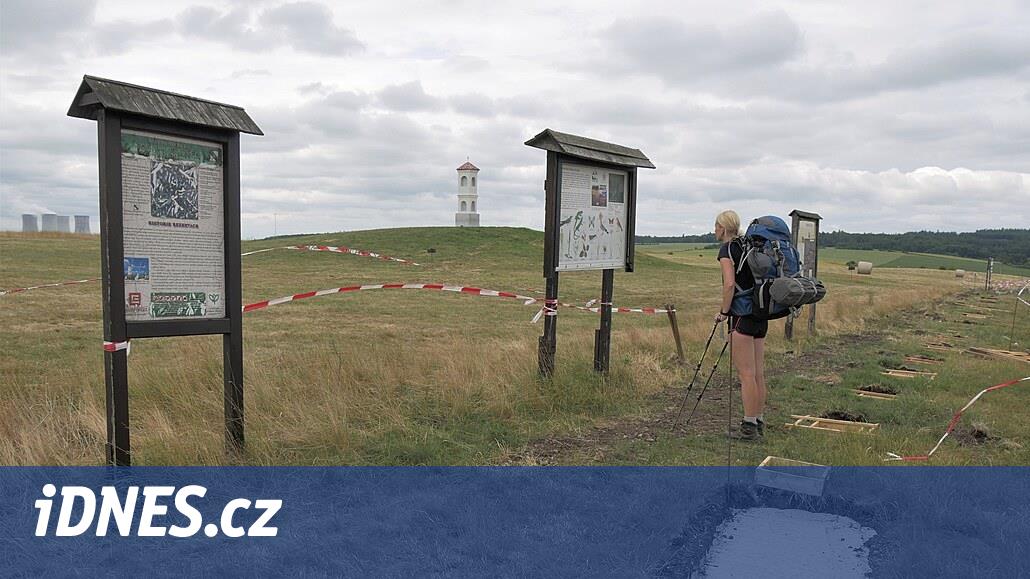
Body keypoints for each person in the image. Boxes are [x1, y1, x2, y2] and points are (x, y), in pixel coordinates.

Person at [713, 210, 767, 440]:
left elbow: (729, 285)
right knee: (757, 374)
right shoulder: (749, 245)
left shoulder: (727, 250)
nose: (714, 230)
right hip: (760, 313)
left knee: (745, 374)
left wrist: (724, 312)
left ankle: (748, 427)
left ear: (724, 228)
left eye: (716, 226)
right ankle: (758, 419)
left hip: (741, 315)